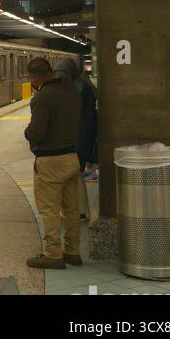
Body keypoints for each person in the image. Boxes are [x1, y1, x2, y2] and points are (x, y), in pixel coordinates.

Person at [24, 58, 82, 269]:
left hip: (50, 161)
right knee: (72, 209)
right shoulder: (72, 91)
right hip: (72, 158)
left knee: (49, 210)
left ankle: (53, 255)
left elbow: (36, 132)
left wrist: (27, 133)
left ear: (34, 77)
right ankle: (73, 252)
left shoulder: (42, 98)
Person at [54, 58, 98, 220]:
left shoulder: (79, 87)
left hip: (80, 134)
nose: (59, 77)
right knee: (74, 172)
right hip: (80, 132)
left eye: (62, 74)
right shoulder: (80, 83)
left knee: (73, 171)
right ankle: (77, 209)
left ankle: (76, 210)